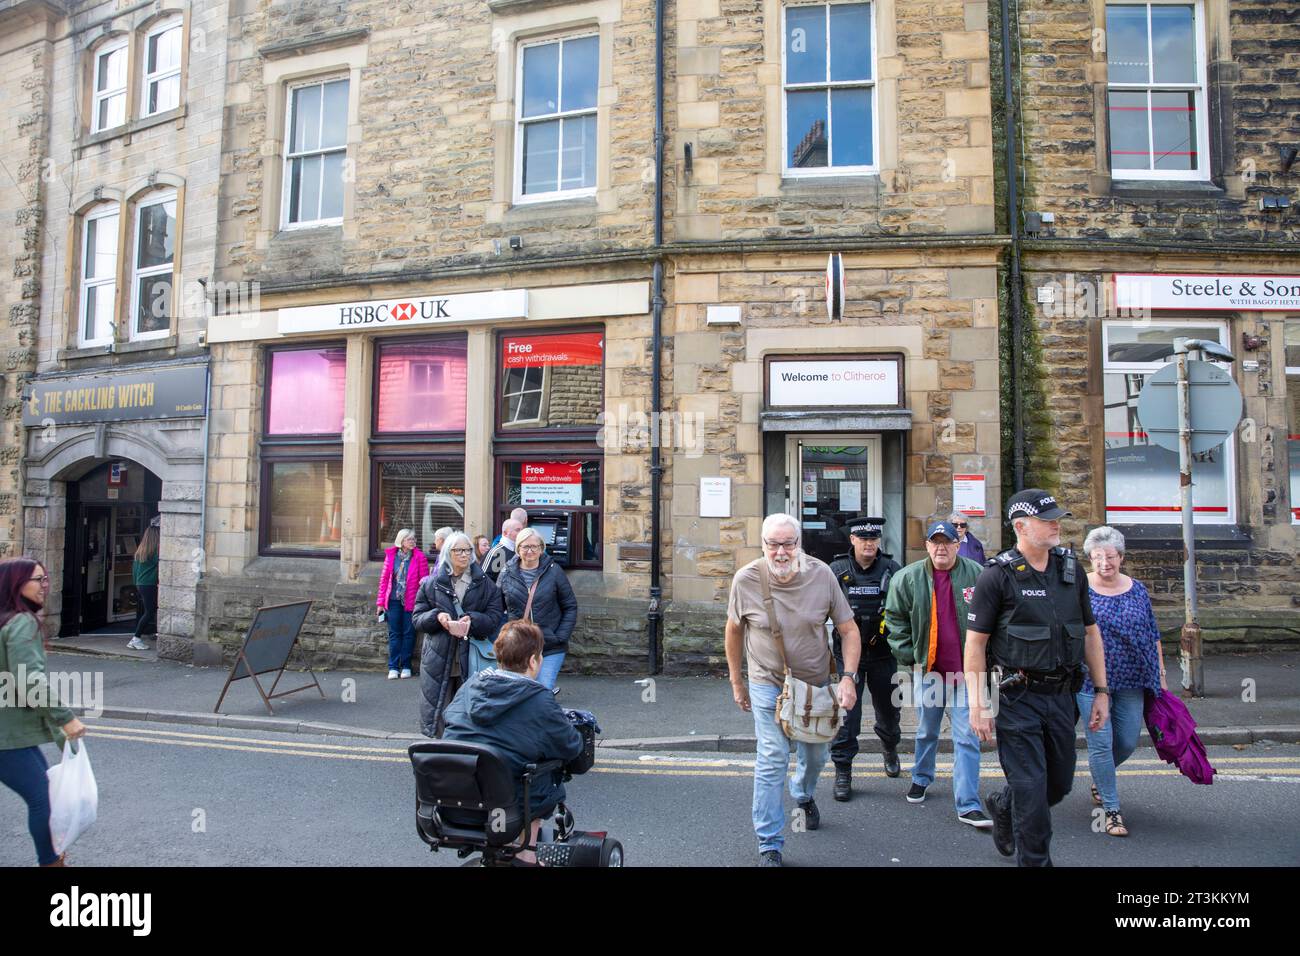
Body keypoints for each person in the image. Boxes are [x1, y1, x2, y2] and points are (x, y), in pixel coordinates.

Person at [964, 489, 1109, 867]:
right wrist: (979, 705)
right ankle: (1035, 860)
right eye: (1047, 520)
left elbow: (1090, 633)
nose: (1056, 524)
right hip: (1016, 696)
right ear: (1021, 527)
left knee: (1057, 785)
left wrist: (1102, 691)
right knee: (1031, 790)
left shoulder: (1071, 569)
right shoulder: (996, 576)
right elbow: (975, 646)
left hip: (1062, 695)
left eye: (1056, 518)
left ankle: (1003, 803)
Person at [725, 513, 860, 867]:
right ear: (763, 544)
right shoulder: (747, 579)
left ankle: (802, 793)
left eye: (788, 543)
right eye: (773, 544)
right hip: (767, 681)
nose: (781, 552)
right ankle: (769, 843)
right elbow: (734, 630)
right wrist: (737, 682)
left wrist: (848, 677)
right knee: (772, 757)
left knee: (816, 756)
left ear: (799, 544)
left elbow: (848, 630)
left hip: (815, 684)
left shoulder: (822, 575)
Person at [441, 619, 584, 865]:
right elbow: (571, 746)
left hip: (455, 800)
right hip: (509, 806)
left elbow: (450, 724)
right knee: (540, 780)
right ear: (532, 660)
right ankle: (525, 856)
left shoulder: (469, 687)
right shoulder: (539, 700)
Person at [885, 520, 990, 828]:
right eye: (936, 542)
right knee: (926, 731)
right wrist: (909, 657)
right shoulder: (907, 578)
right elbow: (894, 620)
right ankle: (921, 777)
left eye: (948, 542)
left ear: (959, 544)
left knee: (968, 737)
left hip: (968, 675)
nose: (941, 548)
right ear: (927, 545)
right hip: (928, 671)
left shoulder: (979, 575)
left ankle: (968, 804)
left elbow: (997, 618)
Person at [1078, 525, 1166, 838]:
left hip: (1133, 676)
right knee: (1100, 744)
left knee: (1127, 740)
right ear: (1090, 559)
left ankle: (1101, 779)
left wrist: (1161, 674)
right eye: (1098, 557)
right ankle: (1112, 810)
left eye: (1110, 556)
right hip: (1090, 681)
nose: (1105, 562)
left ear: (1121, 557)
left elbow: (1152, 632)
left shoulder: (1137, 588)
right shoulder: (1079, 588)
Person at [0, 558, 86, 866]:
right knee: (41, 799)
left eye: (46, 578)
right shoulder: (21, 622)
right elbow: (29, 679)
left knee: (44, 794)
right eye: (38, 579)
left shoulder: (5, 620)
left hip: (14, 735)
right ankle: (51, 862)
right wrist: (66, 718)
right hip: (7, 737)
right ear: (17, 584)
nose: (45, 585)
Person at [827, 517, 903, 801]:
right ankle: (843, 770)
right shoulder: (836, 570)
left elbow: (905, 611)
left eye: (874, 539)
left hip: (884, 654)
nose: (869, 543)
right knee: (847, 716)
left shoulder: (893, 569)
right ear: (853, 540)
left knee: (889, 712)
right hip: (849, 659)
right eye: (863, 538)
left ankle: (890, 747)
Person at [413, 532, 504, 737]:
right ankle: (442, 754)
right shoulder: (431, 584)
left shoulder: (485, 584)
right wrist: (437, 617)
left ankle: (464, 755)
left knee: (469, 713)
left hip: (472, 658)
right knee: (440, 714)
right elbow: (417, 618)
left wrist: (473, 620)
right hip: (439, 657)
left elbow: (494, 617)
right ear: (448, 553)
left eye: (468, 550)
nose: (464, 555)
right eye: (458, 550)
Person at [497, 527, 576, 690]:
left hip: (549, 646)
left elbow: (570, 606)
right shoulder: (506, 573)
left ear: (541, 549)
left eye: (534, 546)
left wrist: (560, 636)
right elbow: (496, 608)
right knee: (518, 691)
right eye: (525, 546)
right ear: (518, 549)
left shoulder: (554, 572)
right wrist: (503, 636)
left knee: (543, 688)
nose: (530, 551)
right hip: (518, 645)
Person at [376, 529, 429, 680]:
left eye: (414, 539)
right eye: (410, 539)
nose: (413, 541)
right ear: (402, 541)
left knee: (409, 634)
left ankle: (406, 666)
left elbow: (424, 581)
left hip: (411, 602)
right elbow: (384, 580)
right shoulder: (391, 556)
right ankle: (393, 667)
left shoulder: (420, 557)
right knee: (394, 633)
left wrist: (423, 603)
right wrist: (380, 603)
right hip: (393, 601)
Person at [127, 517, 160, 651]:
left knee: (151, 610)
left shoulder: (140, 552)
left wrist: (137, 584)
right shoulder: (155, 553)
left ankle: (154, 632)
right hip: (149, 584)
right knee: (149, 612)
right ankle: (136, 638)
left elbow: (134, 571)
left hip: (142, 585)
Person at [481, 518, 522, 583]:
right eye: (517, 530)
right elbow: (483, 579)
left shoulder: (520, 551)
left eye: (522, 530)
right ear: (505, 533)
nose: (521, 533)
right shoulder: (495, 552)